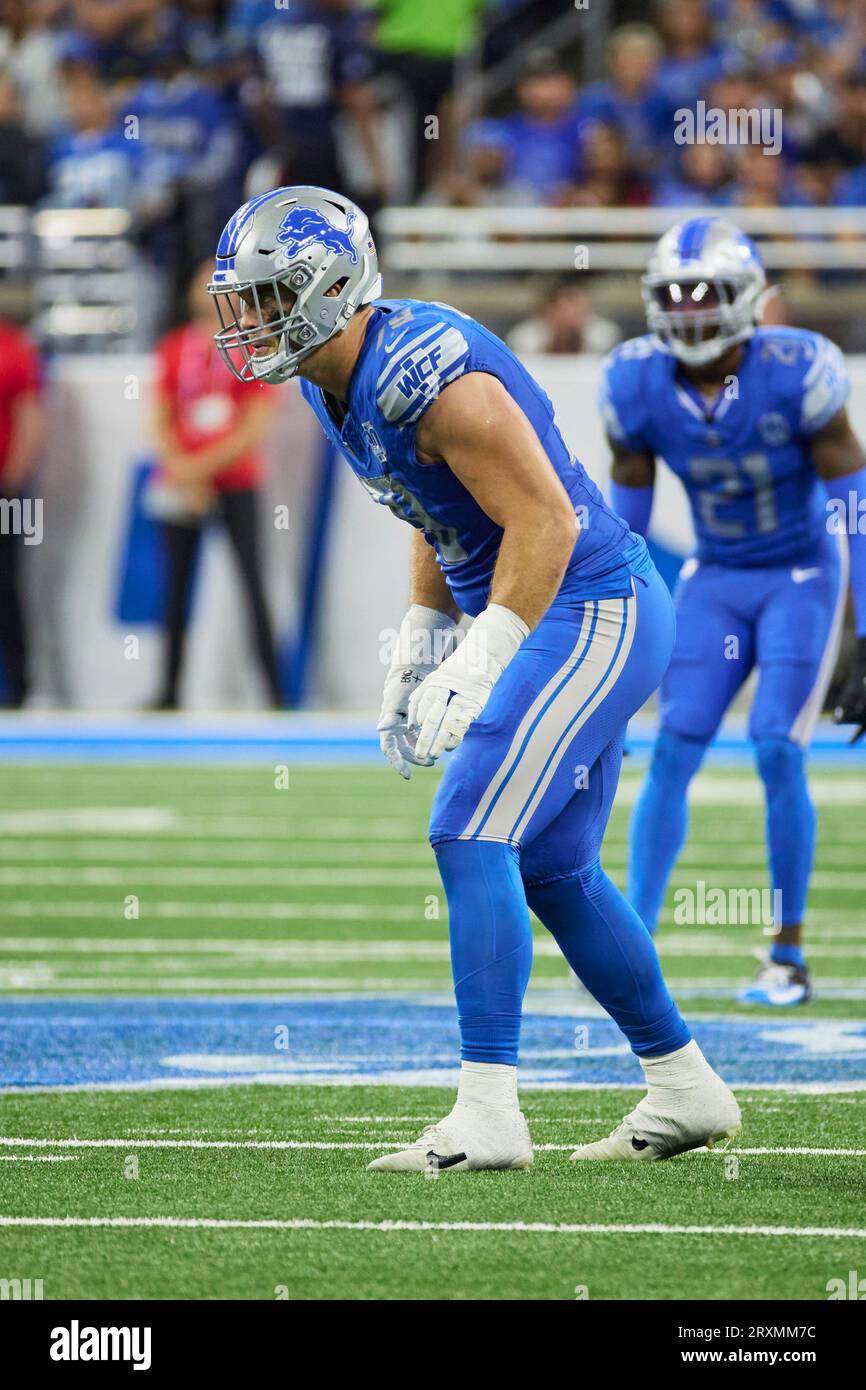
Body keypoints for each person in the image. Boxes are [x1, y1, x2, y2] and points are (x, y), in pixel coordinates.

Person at [207, 185, 741, 1169]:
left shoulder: (427, 373)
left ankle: (489, 1114)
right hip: (561, 605)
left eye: (272, 295)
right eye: (244, 300)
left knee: (467, 824)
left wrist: (486, 648)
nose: (254, 321)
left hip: (590, 603)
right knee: (553, 867)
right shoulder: (333, 375)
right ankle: (684, 1086)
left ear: (331, 284)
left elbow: (545, 519)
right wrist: (421, 634)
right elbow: (434, 511)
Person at [601, 216, 866, 1006]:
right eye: (672, 296)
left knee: (777, 748)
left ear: (747, 298)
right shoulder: (636, 382)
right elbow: (630, 527)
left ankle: (786, 954)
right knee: (672, 752)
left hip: (798, 577)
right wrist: (606, 617)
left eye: (703, 294)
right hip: (713, 576)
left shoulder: (798, 370)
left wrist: (865, 628)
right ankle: (632, 946)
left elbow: (855, 502)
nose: (686, 311)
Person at [149, 259, 280, 709]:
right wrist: (183, 473)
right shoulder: (173, 349)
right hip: (185, 484)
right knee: (174, 589)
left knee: (253, 585)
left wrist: (196, 469)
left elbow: (253, 429)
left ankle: (276, 692)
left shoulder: (253, 348)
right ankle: (168, 692)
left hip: (235, 482)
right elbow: (160, 421)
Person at [0, 316, 43, 707]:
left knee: (7, 584)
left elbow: (29, 415)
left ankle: (19, 685)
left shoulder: (13, 347)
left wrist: (13, 477)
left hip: (5, 493)